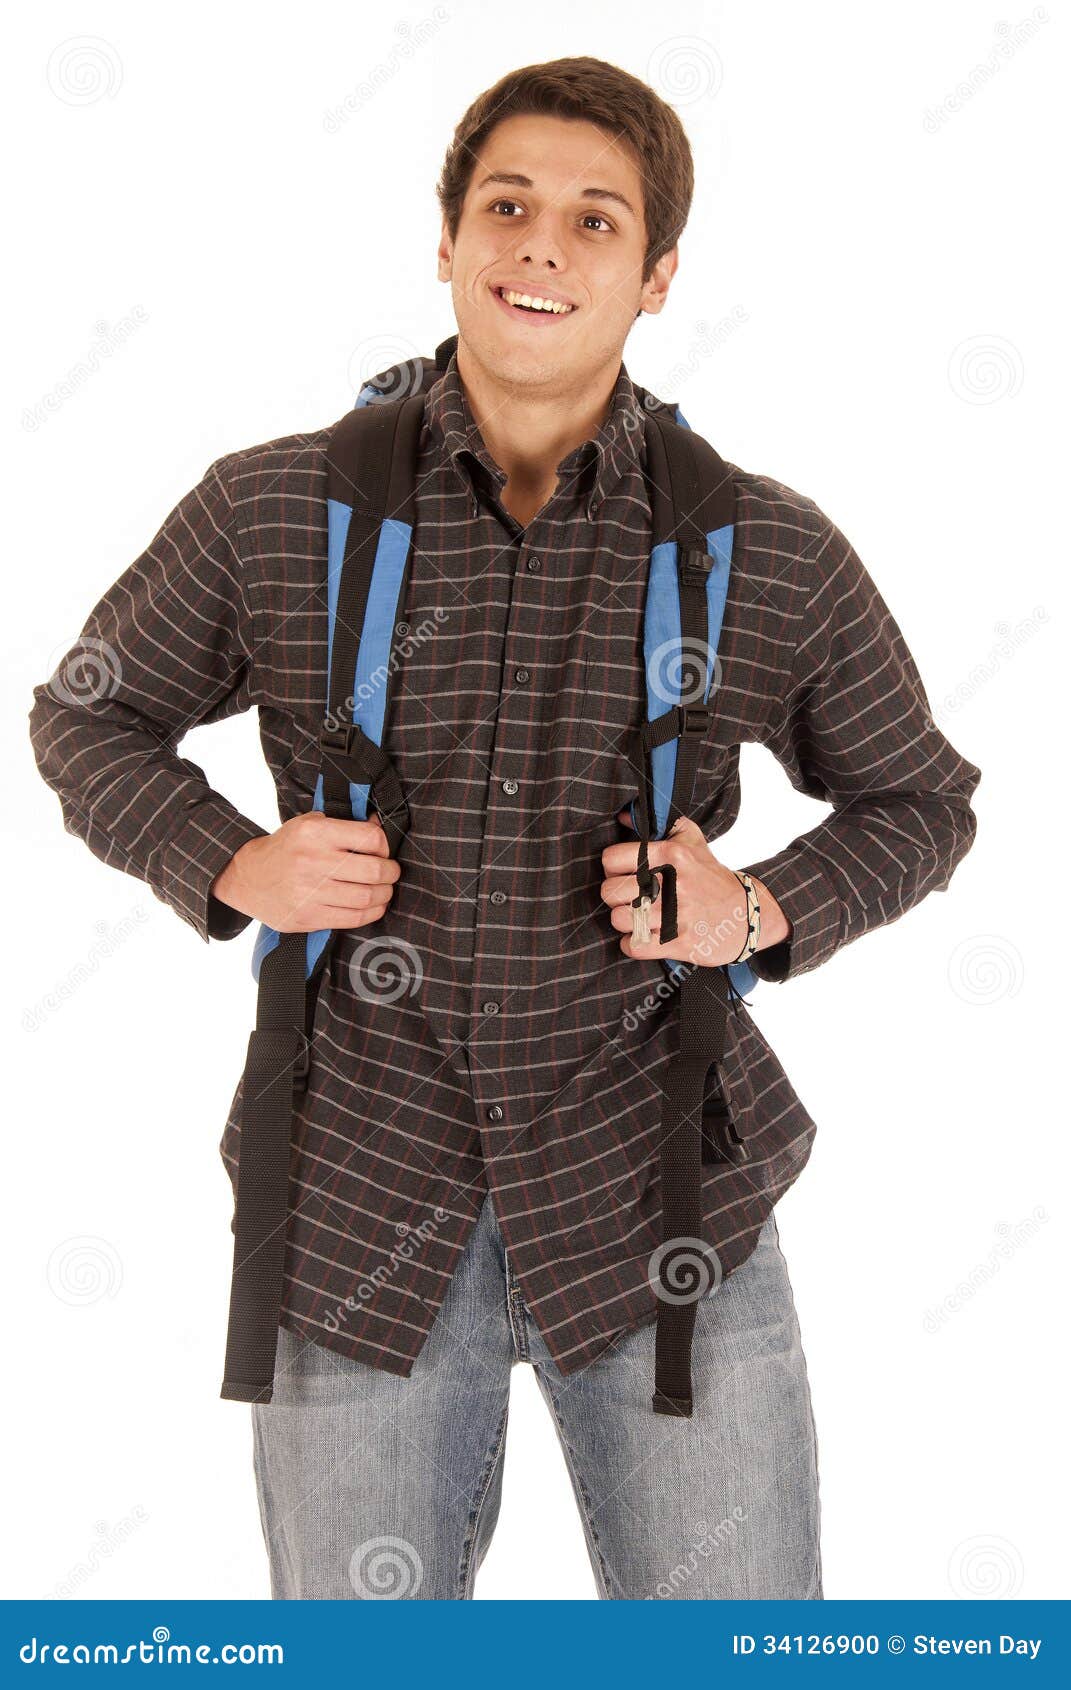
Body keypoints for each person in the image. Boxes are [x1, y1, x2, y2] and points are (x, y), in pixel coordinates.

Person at [28, 56, 981, 1601]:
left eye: (596, 220)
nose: (544, 245)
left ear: (658, 274)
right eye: (509, 206)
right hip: (356, 1197)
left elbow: (924, 800)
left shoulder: (761, 545)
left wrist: (756, 908)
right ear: (450, 240)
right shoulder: (273, 508)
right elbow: (84, 710)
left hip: (663, 1200)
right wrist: (225, 859)